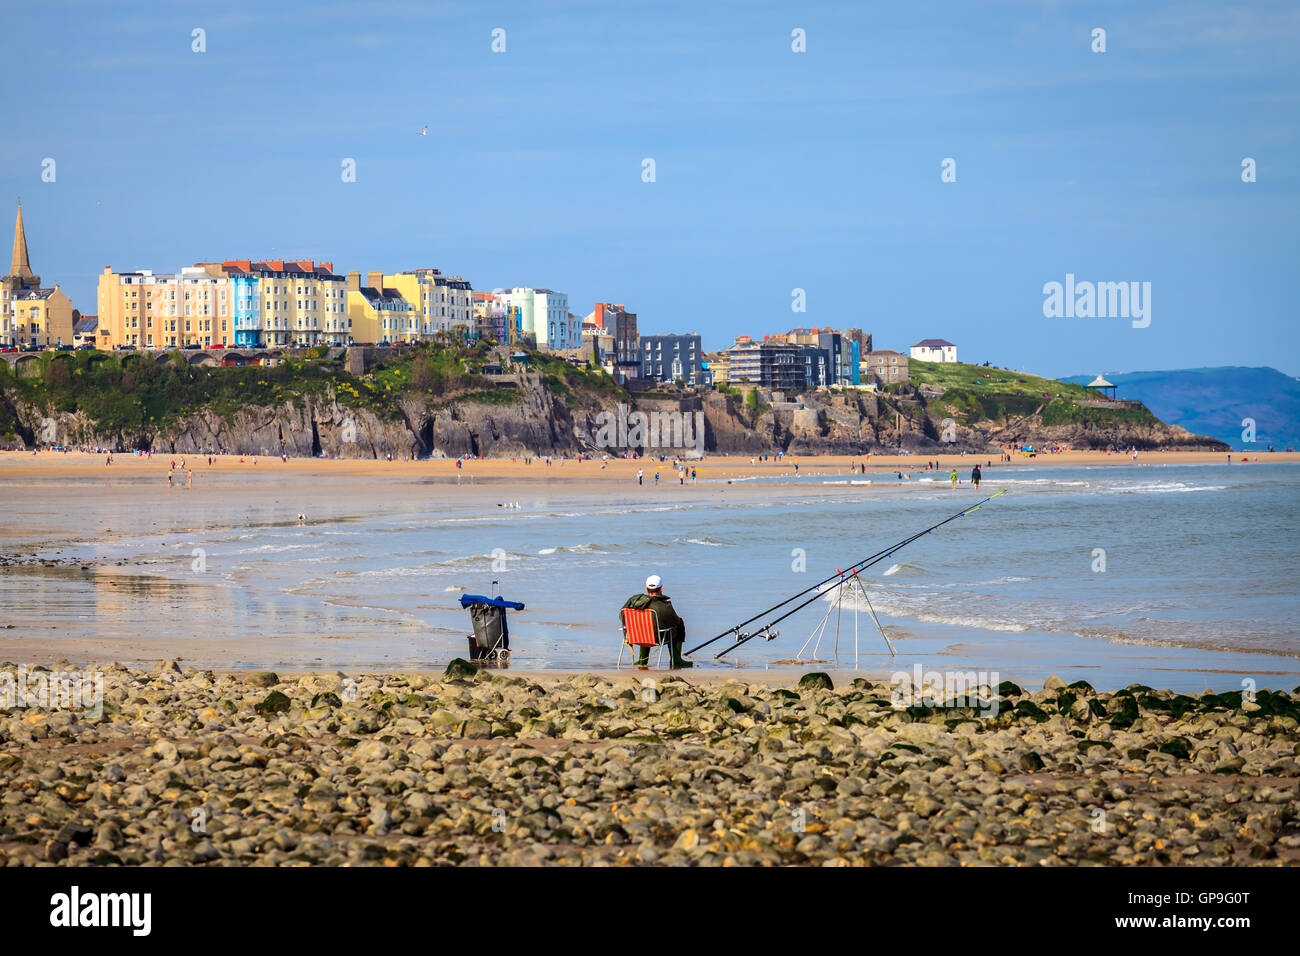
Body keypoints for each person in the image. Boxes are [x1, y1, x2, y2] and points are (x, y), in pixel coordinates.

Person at [620, 574, 692, 668]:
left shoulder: (633, 601)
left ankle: (642, 660)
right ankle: (676, 659)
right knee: (679, 624)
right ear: (661, 588)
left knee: (644, 626)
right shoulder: (663, 606)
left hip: (634, 637)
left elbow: (622, 616)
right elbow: (675, 622)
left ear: (646, 589)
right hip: (655, 638)